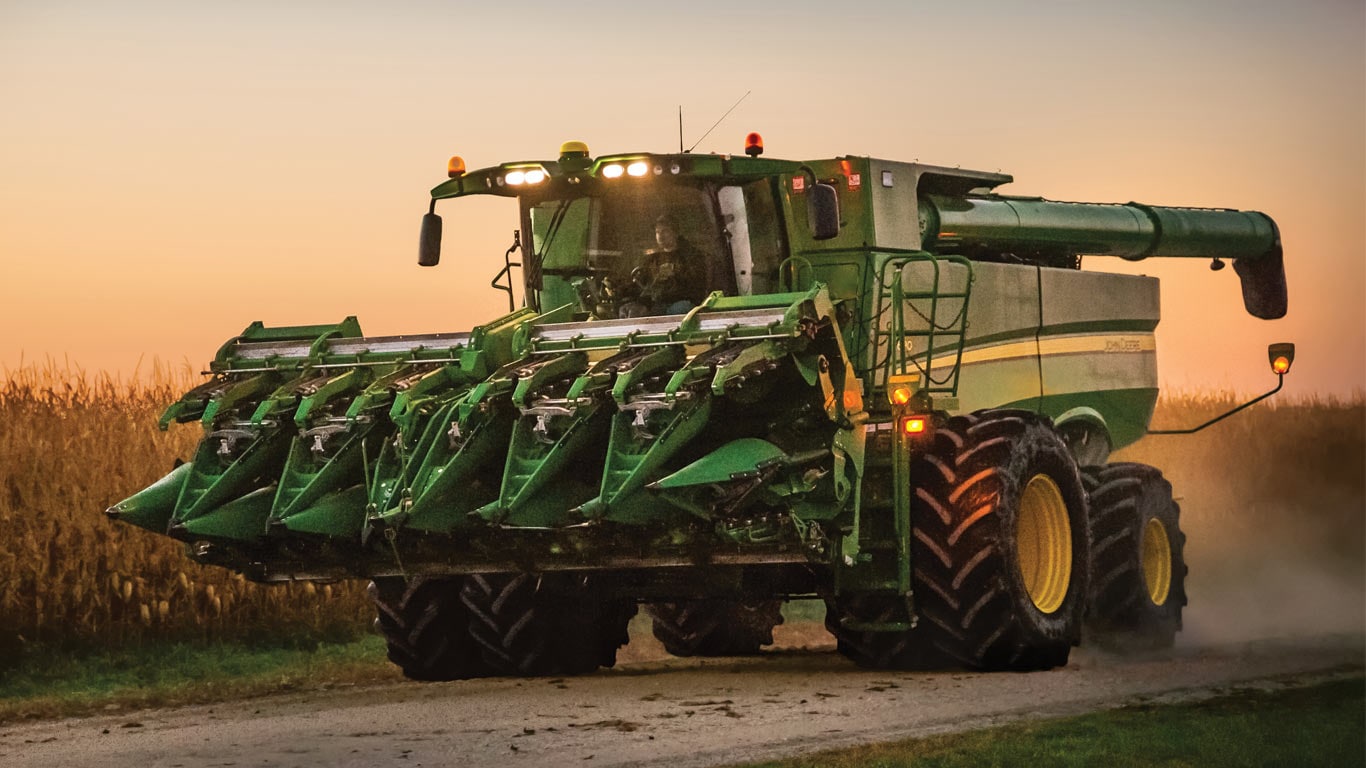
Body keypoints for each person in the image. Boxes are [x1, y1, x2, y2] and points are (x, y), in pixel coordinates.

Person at [620, 216, 708, 316]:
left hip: (681, 302)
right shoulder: (652, 259)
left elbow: (697, 284)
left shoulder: (691, 256)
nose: (660, 236)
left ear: (676, 232)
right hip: (657, 303)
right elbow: (642, 285)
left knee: (681, 308)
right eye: (657, 232)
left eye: (665, 231)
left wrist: (675, 275)